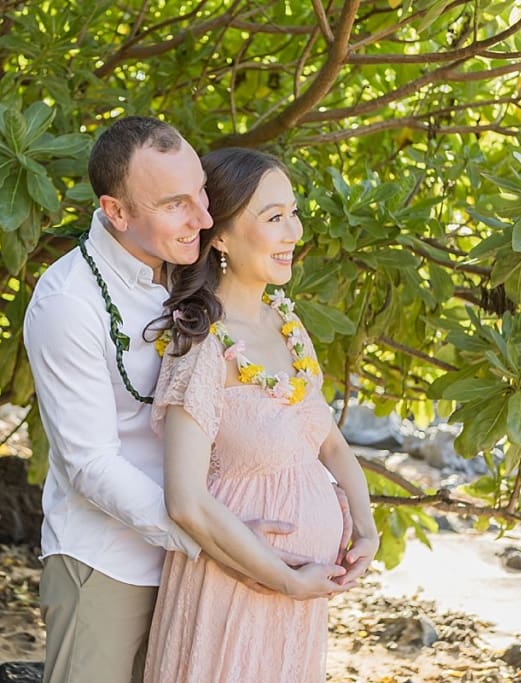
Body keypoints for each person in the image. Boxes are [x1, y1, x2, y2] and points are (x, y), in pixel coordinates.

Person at [23, 118, 342, 683]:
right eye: (176, 204)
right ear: (117, 212)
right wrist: (210, 534)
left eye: (200, 191)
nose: (201, 216)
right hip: (112, 563)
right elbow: (89, 464)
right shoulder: (68, 303)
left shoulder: (196, 269)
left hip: (214, 566)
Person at [142, 147, 381, 683]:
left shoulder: (288, 327)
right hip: (234, 592)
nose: (293, 231)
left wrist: (366, 528)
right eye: (273, 217)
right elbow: (185, 501)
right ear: (220, 236)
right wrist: (281, 577)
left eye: (294, 213)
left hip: (297, 604)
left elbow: (332, 445)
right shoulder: (201, 347)